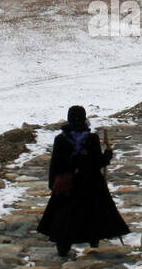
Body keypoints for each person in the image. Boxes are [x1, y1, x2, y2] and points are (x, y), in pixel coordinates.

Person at [38, 105, 129, 258]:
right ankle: (93, 242)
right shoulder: (91, 138)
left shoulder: (60, 139)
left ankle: (63, 246)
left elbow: (55, 163)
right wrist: (108, 154)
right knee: (93, 212)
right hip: (91, 183)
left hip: (67, 184)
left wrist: (52, 183)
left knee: (66, 215)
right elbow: (98, 162)